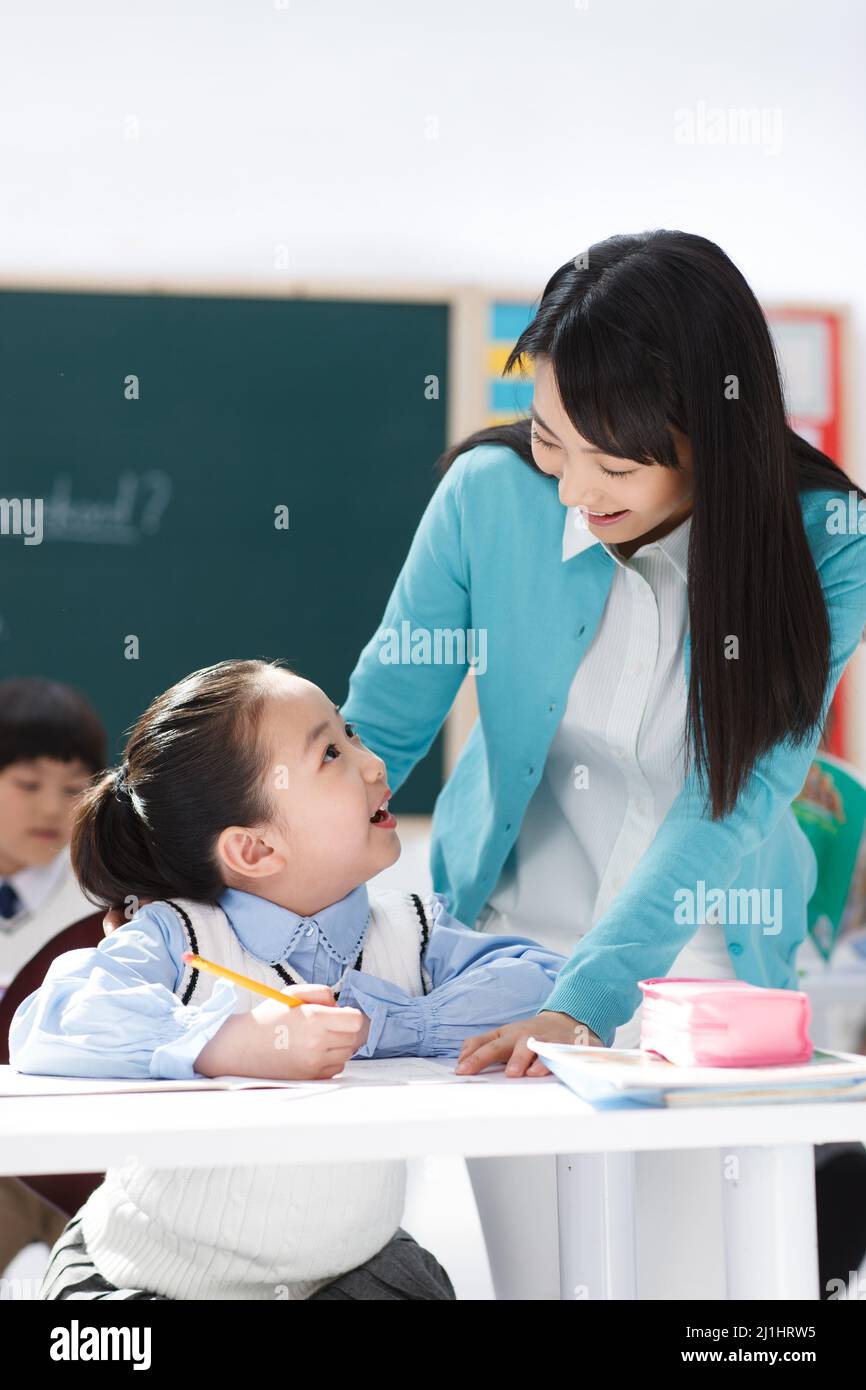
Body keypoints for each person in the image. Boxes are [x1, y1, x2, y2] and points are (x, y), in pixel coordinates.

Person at [339, 228, 866, 1296]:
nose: (572, 487)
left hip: (705, 976)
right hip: (504, 959)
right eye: (548, 439)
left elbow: (727, 804)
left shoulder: (825, 542)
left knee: (711, 1296)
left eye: (613, 463)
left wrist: (589, 1000)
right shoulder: (488, 498)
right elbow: (374, 738)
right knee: (550, 1287)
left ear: (711, 443)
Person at [9, 658, 567, 1301]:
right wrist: (236, 1041)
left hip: (345, 1269)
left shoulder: (410, 930)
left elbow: (542, 982)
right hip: (150, 1277)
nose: (374, 764)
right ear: (254, 849)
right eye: (331, 753)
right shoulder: (180, 935)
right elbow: (50, 1018)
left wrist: (388, 1023)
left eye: (350, 732)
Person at [0, 676, 105, 1278]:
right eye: (28, 784)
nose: (51, 808)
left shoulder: (107, 890)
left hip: (85, 1151)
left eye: (74, 789)